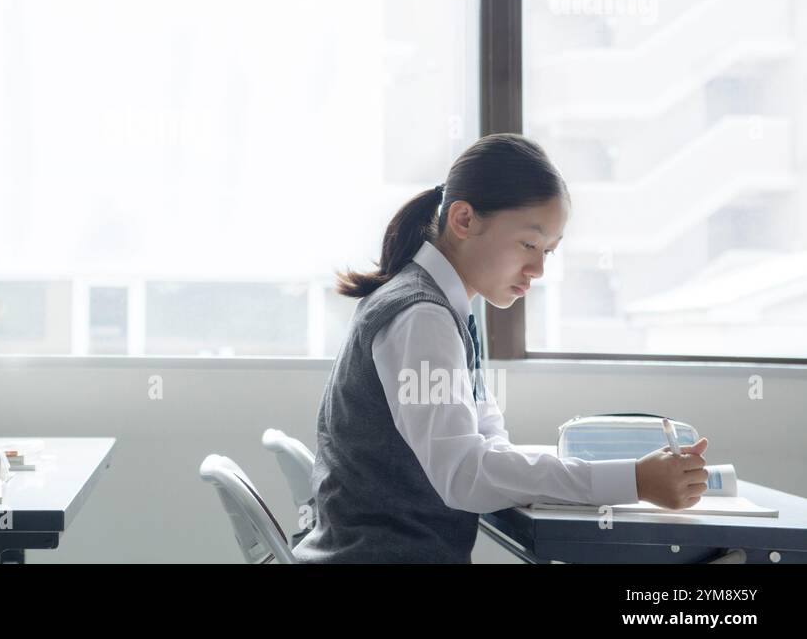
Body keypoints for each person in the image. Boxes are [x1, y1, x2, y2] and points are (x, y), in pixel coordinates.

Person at [294, 133, 710, 563]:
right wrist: (633, 481)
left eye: (549, 251)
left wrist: (629, 476)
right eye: (529, 244)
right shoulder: (423, 318)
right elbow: (463, 474)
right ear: (464, 220)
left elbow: (489, 444)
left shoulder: (444, 310)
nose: (539, 269)